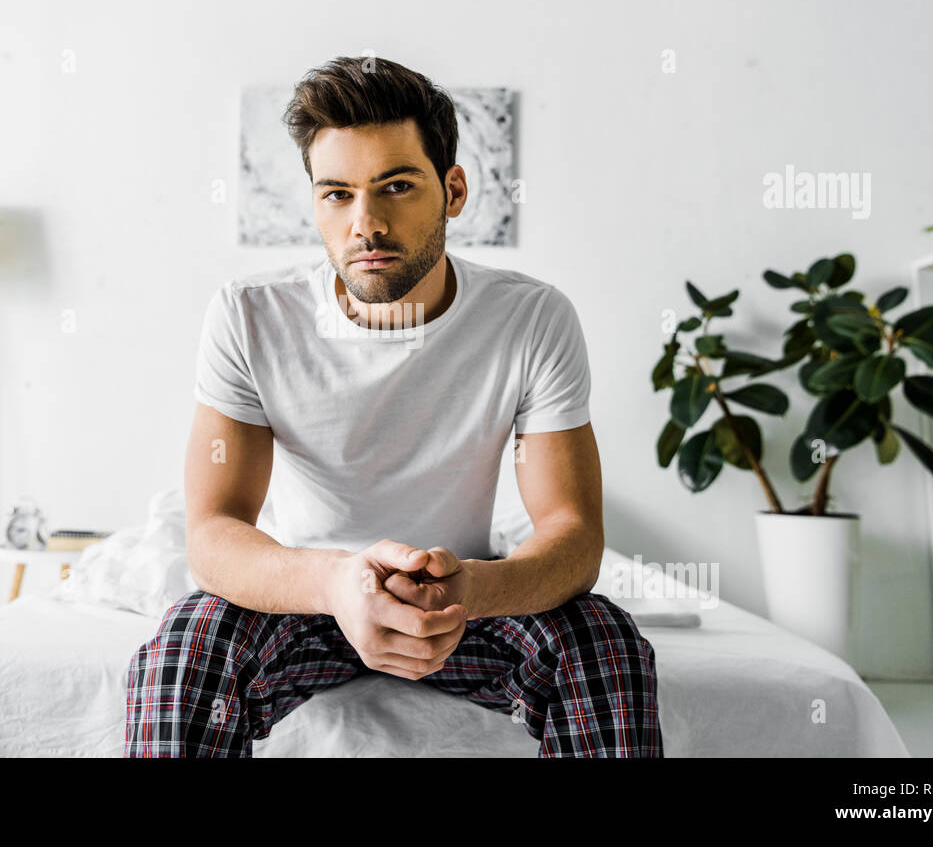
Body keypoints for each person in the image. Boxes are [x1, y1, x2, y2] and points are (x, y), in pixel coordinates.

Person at [126, 55, 661, 757]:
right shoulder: (249, 316)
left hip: (466, 600)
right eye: (337, 194)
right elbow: (213, 532)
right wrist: (336, 583)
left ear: (454, 190)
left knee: (603, 642)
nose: (366, 223)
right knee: (185, 651)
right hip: (309, 595)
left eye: (397, 186)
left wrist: (472, 588)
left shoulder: (531, 318)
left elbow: (573, 532)